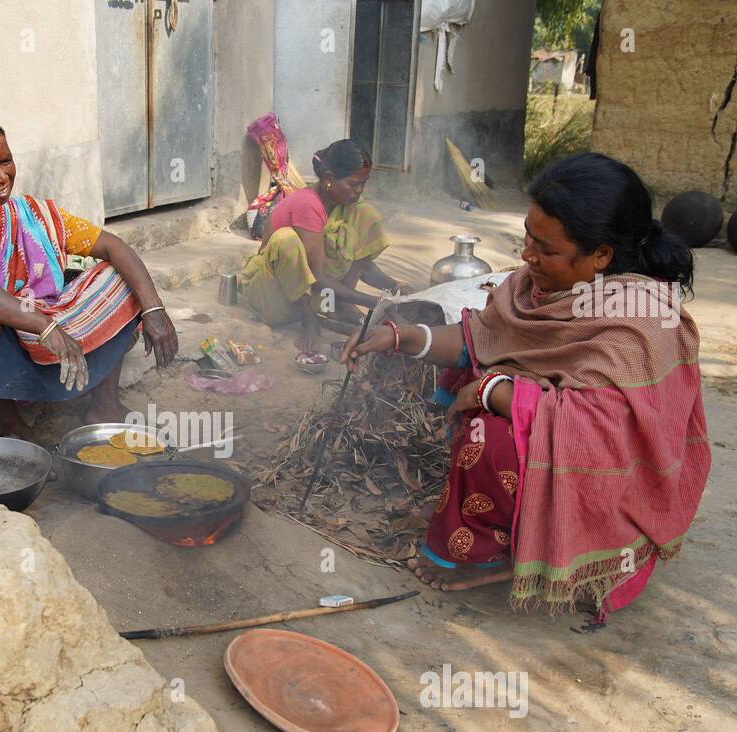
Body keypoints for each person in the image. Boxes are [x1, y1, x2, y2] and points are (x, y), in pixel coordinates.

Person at [342, 152, 711, 620]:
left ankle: (521, 558)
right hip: (559, 446)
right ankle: (509, 526)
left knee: (492, 436)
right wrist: (399, 336)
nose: (527, 257)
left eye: (546, 249)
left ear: (601, 255)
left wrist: (491, 388)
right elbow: (481, 336)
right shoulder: (539, 288)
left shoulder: (641, 322)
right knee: (469, 376)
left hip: (609, 491)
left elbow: (590, 433)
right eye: (527, 239)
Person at [0, 107, 178, 440]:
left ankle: (104, 404)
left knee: (115, 278)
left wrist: (154, 309)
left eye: (5, 162)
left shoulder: (30, 215)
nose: (1, 177)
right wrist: (43, 324)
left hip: (33, 337)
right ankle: (14, 428)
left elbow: (112, 246)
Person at [239, 139, 405, 364]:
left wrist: (395, 288)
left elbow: (361, 263)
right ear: (328, 179)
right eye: (353, 184)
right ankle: (309, 319)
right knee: (286, 240)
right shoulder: (308, 204)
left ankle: (340, 303)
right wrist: (375, 303)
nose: (359, 191)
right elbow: (316, 277)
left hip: (319, 293)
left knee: (366, 214)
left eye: (363, 184)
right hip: (273, 294)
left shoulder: (343, 204)